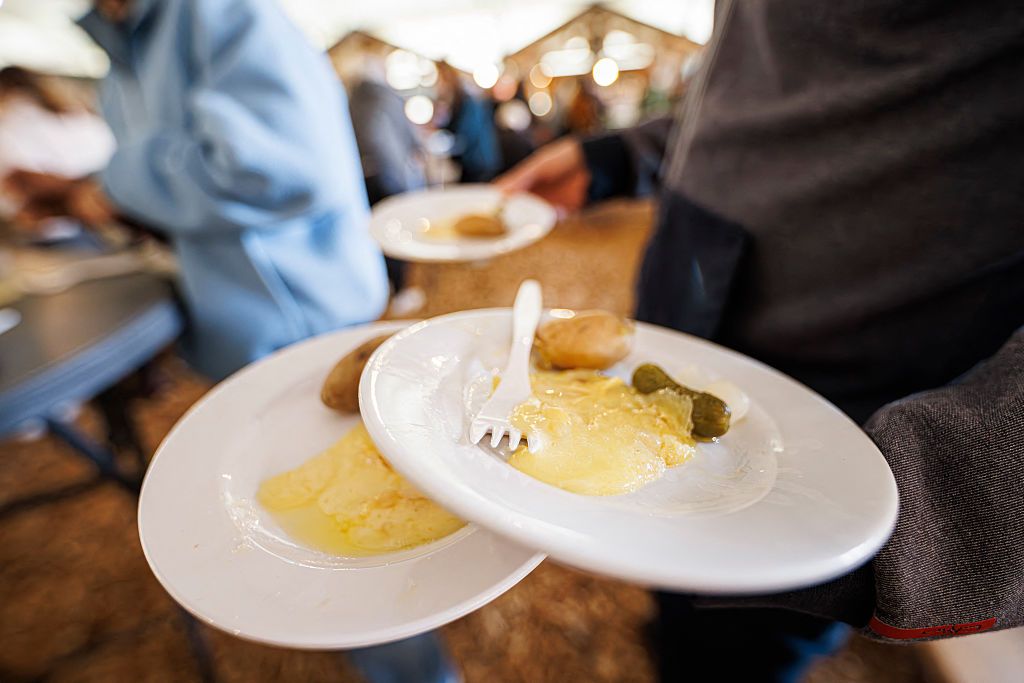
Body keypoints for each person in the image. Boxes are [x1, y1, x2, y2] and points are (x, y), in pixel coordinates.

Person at [498, 0, 1024, 680]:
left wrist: (926, 517)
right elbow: (770, 70)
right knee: (682, 619)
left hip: (853, 408)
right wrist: (629, 153)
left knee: (739, 657)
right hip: (684, 317)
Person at [4, 2, 452, 681]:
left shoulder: (223, 17)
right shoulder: (123, 43)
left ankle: (415, 668)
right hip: (249, 326)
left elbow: (278, 169)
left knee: (360, 525)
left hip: (305, 320)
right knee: (310, 513)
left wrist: (111, 184)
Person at [0, 67, 114, 230]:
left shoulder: (12, 122)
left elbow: (14, 196)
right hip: (107, 202)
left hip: (68, 225)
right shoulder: (79, 113)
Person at [434, 62, 502, 183]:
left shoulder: (465, 98)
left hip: (478, 160)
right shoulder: (459, 97)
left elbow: (469, 131)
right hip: (474, 159)